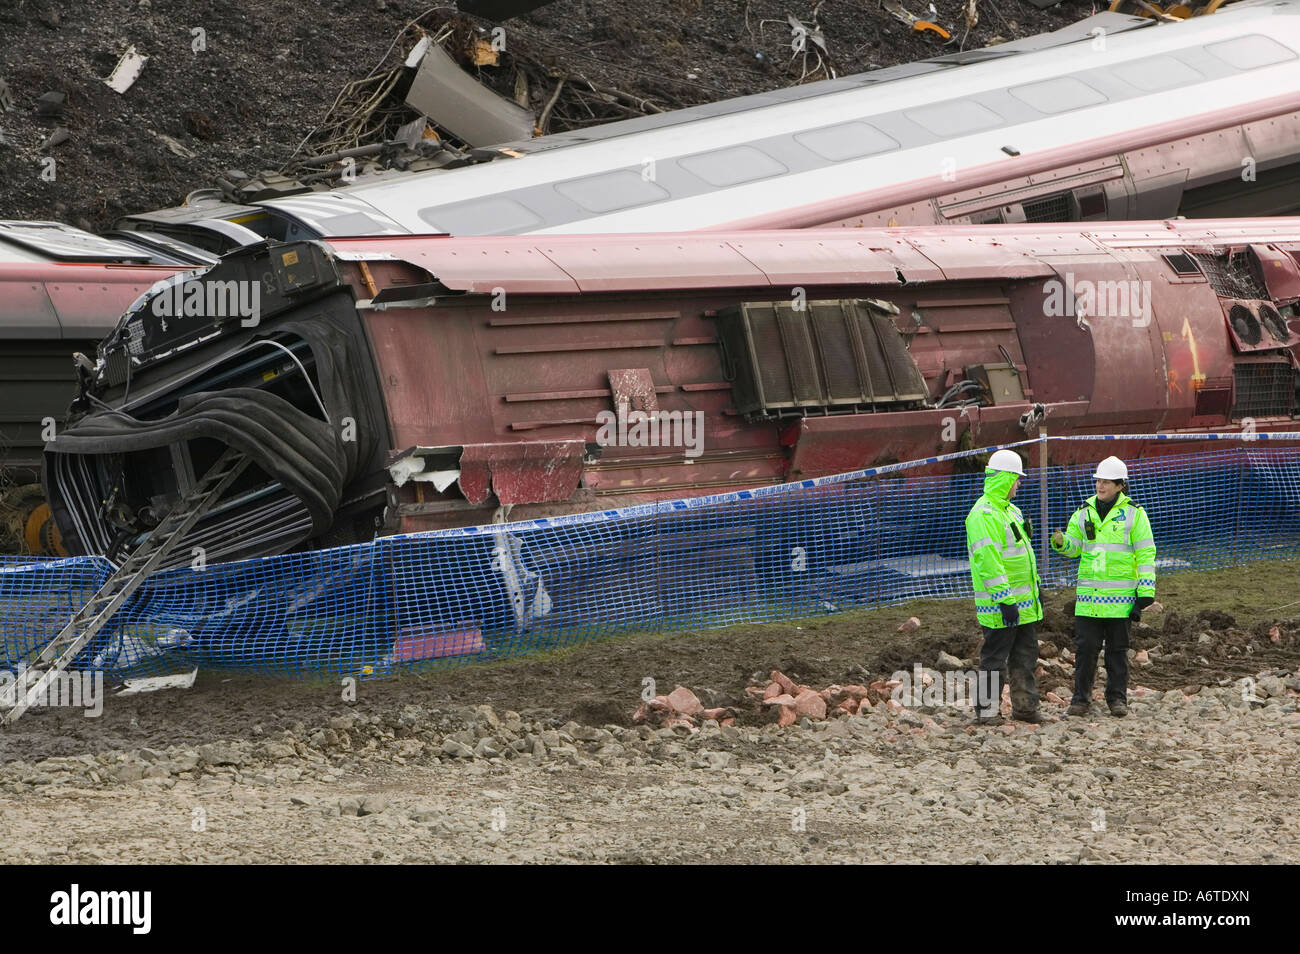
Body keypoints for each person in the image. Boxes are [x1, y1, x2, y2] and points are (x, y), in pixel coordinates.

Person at [1051, 456, 1156, 718]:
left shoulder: (1135, 514)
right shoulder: (1083, 512)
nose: (1100, 485)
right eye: (1098, 480)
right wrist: (1062, 543)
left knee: (1117, 653)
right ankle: (1080, 700)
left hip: (1120, 602)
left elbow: (1145, 554)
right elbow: (1076, 547)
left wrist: (1145, 591)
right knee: (1086, 651)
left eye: (1106, 481)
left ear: (1120, 485)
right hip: (1088, 600)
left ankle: (1117, 699)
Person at [965, 449, 1044, 724]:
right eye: (1016, 479)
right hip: (1001, 606)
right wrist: (1005, 600)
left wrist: (1035, 593)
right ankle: (986, 712)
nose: (1019, 484)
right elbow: (989, 563)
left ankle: (1025, 708)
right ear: (1005, 478)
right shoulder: (984, 515)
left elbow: (1023, 558)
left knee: (1025, 655)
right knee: (995, 658)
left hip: (1021, 604)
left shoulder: (1011, 511)